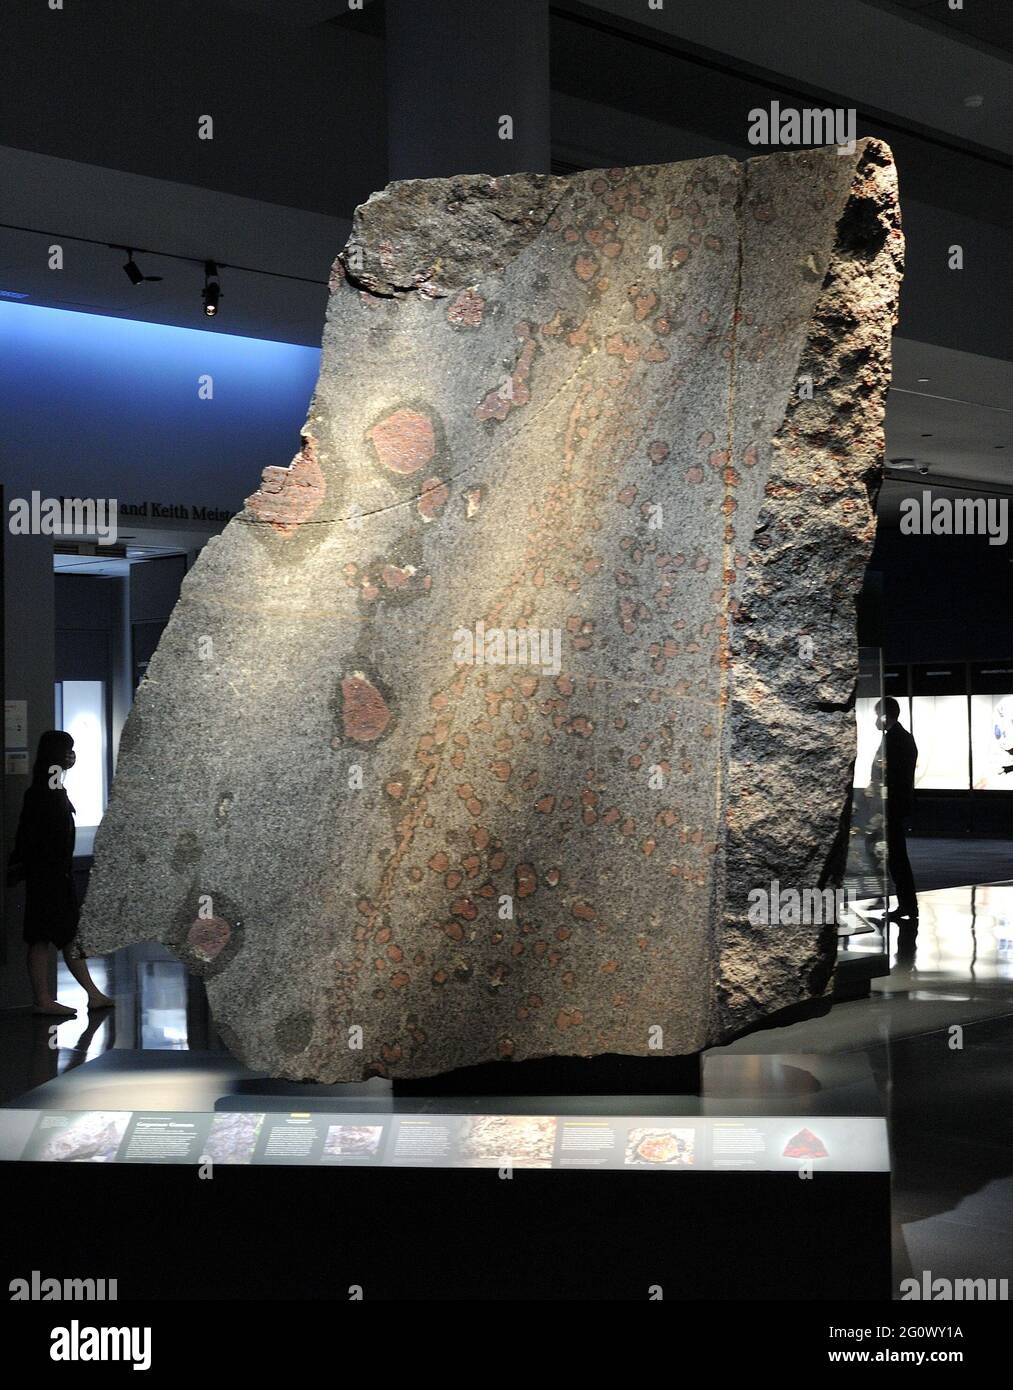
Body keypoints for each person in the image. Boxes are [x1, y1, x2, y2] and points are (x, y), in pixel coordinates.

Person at [7, 730, 114, 1016]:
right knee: (52, 937)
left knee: (57, 937)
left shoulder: (45, 789)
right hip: (50, 878)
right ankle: (54, 998)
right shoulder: (48, 792)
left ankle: (88, 994)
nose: (71, 756)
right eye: (67, 750)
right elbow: (44, 837)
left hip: (50, 877)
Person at [874, 697, 919, 923]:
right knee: (896, 856)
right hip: (895, 805)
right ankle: (907, 904)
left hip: (891, 806)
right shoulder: (903, 738)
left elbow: (886, 774)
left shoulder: (895, 739)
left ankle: (906, 904)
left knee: (897, 858)